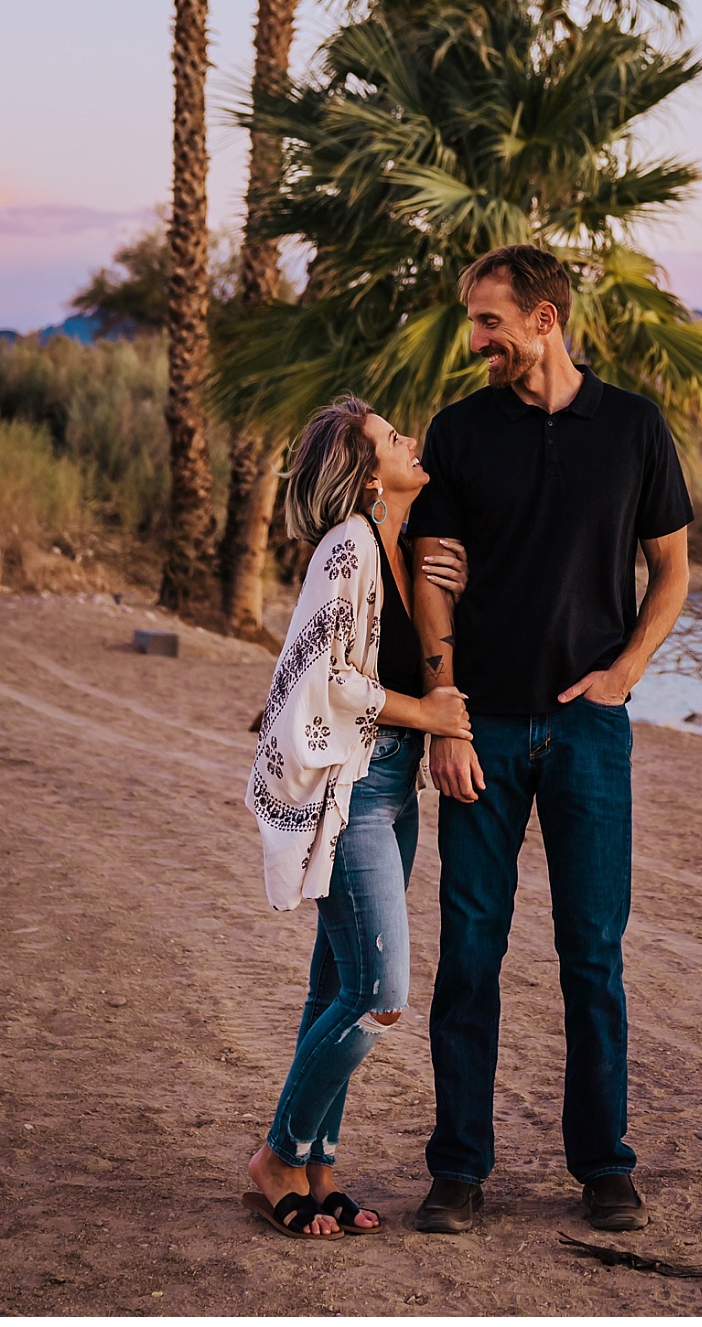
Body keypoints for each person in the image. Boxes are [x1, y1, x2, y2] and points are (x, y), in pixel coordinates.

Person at [409, 245, 692, 1236]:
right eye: (472, 321)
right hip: (480, 725)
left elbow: (671, 570)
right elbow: (430, 574)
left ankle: (604, 1163)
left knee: (591, 954)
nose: (474, 338)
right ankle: (457, 1168)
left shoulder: (633, 427)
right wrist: (445, 707)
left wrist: (625, 674)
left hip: (587, 729)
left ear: (543, 319)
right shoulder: (458, 431)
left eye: (488, 320)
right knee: (469, 954)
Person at [244, 398, 471, 1239]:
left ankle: (316, 1166)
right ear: (367, 470)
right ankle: (277, 1154)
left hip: (390, 792)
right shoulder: (350, 544)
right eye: (388, 435)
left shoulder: (392, 548)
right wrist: (431, 714)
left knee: (334, 985)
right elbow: (332, 679)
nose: (408, 438)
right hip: (358, 792)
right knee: (379, 997)